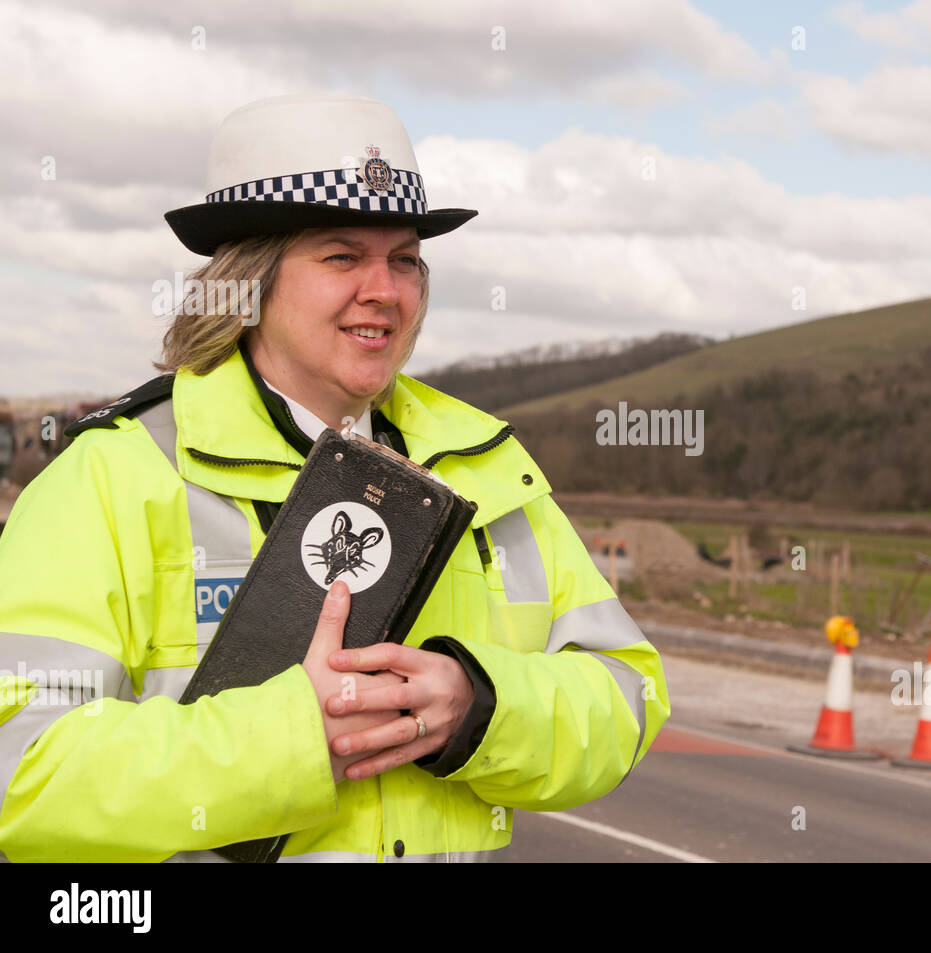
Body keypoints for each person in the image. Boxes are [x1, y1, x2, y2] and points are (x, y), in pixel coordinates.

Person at [0, 94, 669, 862]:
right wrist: (290, 737)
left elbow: (628, 692)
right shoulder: (113, 476)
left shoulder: (489, 467)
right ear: (247, 280)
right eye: (342, 255)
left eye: (406, 258)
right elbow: (25, 775)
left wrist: (480, 705)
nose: (385, 290)